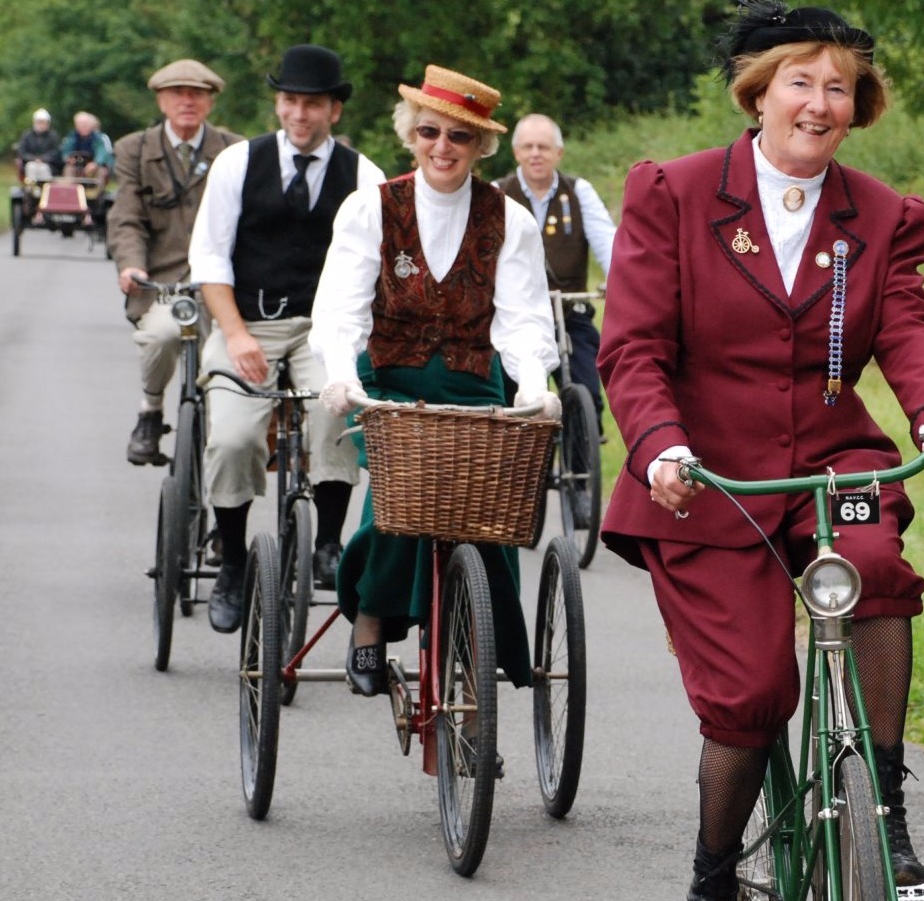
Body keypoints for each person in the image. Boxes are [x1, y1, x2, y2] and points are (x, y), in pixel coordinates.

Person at [595, 4, 924, 897]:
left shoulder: (882, 215)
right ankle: (715, 869)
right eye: (800, 82)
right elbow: (634, 347)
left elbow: (911, 325)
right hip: (707, 476)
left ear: (858, 104)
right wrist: (659, 446)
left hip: (833, 462)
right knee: (753, 697)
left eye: (837, 87)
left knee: (878, 566)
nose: (819, 104)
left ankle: (885, 803)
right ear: (759, 93)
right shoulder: (676, 192)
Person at [310, 64, 561, 697]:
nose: (443, 148)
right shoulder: (373, 207)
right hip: (387, 379)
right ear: (410, 134)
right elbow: (341, 305)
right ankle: (370, 617)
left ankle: (476, 661)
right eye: (430, 132)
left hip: (473, 380)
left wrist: (532, 383)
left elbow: (523, 317)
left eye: (460, 137)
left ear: (481, 147)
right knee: (401, 500)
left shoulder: (511, 220)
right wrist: (341, 376)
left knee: (486, 514)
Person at [187, 44, 386, 633]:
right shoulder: (236, 164)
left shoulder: (363, 175)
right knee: (231, 437)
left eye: (313, 104)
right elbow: (210, 259)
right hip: (247, 323)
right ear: (277, 103)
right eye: (291, 101)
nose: (300, 114)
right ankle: (230, 563)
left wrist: (350, 340)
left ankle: (328, 544)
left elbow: (373, 266)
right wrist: (235, 334)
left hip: (325, 329)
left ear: (334, 111)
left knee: (338, 411)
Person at [109, 59, 244, 467]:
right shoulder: (135, 148)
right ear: (161, 100)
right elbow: (127, 217)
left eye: (197, 94)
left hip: (223, 282)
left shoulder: (235, 150)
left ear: (210, 102)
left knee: (232, 362)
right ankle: (150, 411)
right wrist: (132, 266)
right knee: (164, 335)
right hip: (164, 283)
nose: (188, 101)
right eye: (178, 93)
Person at [492, 113, 616, 432]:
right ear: (516, 152)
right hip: (513, 318)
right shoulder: (496, 193)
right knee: (512, 398)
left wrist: (617, 278)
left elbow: (607, 242)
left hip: (568, 312)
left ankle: (581, 469)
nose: (536, 154)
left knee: (586, 387)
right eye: (528, 147)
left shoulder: (578, 191)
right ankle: (528, 471)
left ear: (558, 153)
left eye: (544, 147)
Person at [60, 111, 114, 180]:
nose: (83, 127)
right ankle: (71, 189)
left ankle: (97, 190)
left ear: (91, 125)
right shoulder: (71, 137)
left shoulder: (99, 138)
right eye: (80, 124)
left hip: (94, 165)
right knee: (68, 169)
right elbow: (65, 152)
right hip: (76, 166)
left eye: (85, 124)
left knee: (101, 171)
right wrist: (68, 158)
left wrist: (95, 163)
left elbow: (102, 152)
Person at [16, 108, 64, 179]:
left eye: (44, 122)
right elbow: (22, 152)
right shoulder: (27, 136)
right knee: (31, 166)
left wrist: (42, 159)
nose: (41, 125)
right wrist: (34, 159)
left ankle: (46, 188)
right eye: (39, 122)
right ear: (34, 122)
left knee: (43, 168)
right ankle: (32, 188)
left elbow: (55, 152)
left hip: (49, 164)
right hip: (30, 163)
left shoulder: (53, 136)